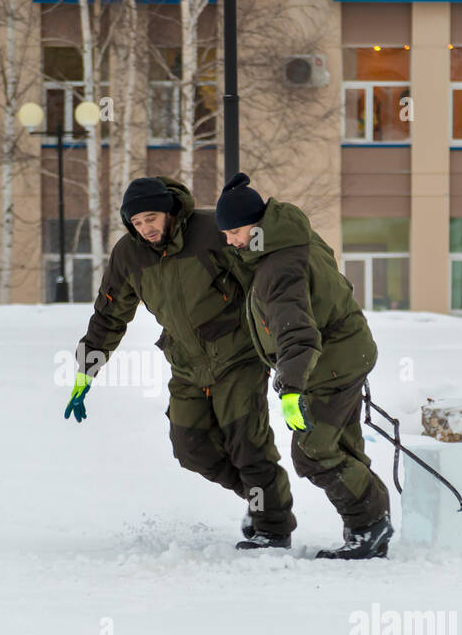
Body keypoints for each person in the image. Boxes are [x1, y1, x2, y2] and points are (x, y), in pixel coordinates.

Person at [64, 176, 296, 549]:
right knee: (190, 447)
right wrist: (86, 370)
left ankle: (273, 527)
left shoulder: (211, 229)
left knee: (247, 445)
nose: (146, 228)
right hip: (187, 363)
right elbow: (109, 315)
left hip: (236, 354)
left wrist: (283, 339)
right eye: (137, 223)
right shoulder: (129, 255)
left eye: (151, 218)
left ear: (169, 211)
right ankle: (265, 503)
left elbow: (263, 275)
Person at [214, 172, 392, 560]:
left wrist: (291, 388)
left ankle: (370, 525)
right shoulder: (293, 236)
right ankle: (367, 527)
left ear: (256, 225)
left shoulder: (278, 266)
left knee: (312, 452)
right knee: (339, 445)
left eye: (234, 232)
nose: (230, 241)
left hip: (330, 364)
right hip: (345, 353)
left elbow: (298, 334)